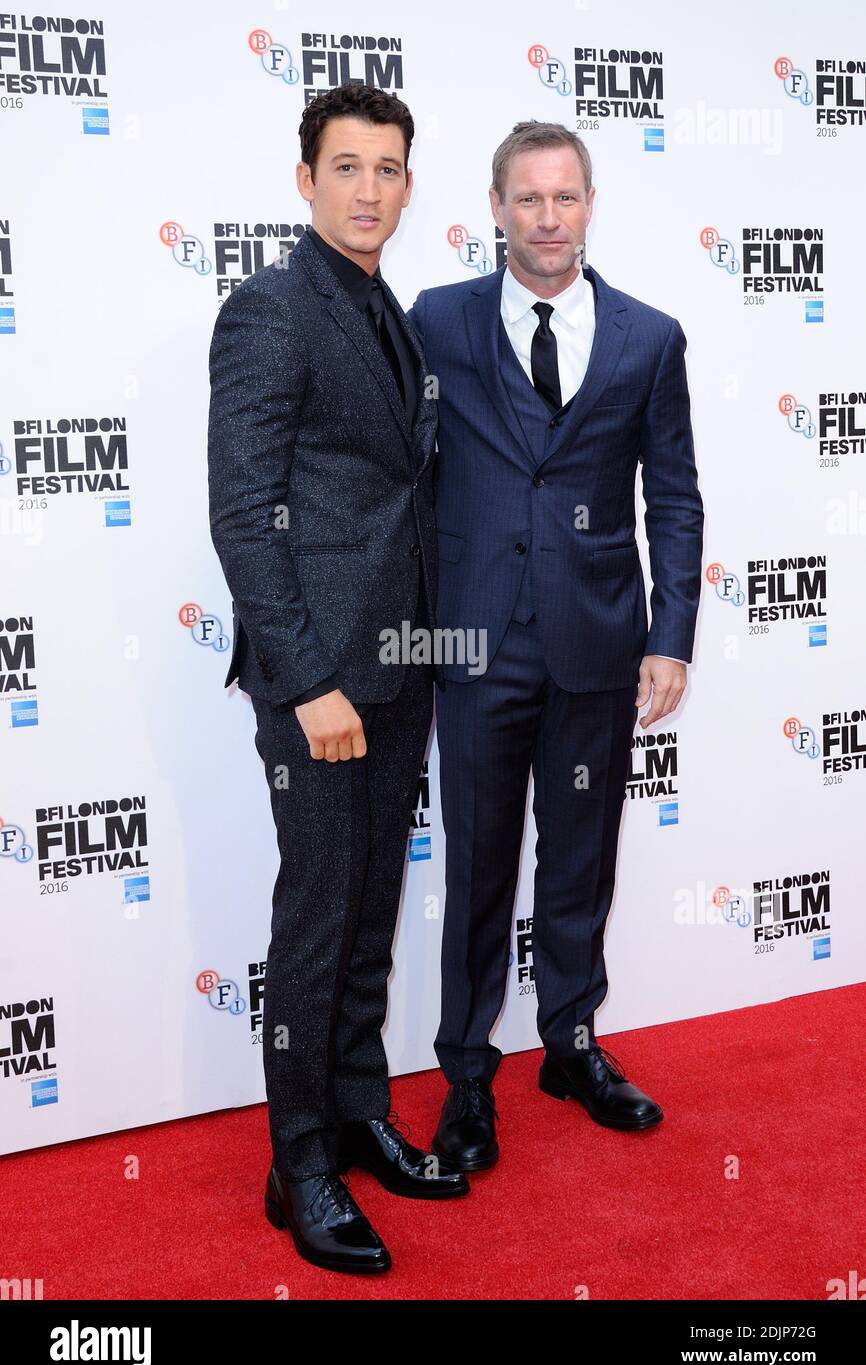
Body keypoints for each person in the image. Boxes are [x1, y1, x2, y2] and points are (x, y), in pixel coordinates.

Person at [407, 120, 704, 1171]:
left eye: (563, 198)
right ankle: (464, 1078)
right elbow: (399, 472)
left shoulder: (647, 336)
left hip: (594, 643)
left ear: (588, 206)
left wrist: (669, 636)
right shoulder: (436, 321)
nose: (544, 218)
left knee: (579, 861)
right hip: (475, 645)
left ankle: (570, 1042)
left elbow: (670, 495)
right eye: (525, 198)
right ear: (493, 207)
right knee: (479, 865)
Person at [207, 82, 468, 1276]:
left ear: (410, 186)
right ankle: (297, 1159)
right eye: (347, 166)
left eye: (390, 169)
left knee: (367, 908)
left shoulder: (390, 315)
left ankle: (357, 1108)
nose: (370, 189)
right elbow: (242, 516)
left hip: (399, 664)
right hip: (318, 681)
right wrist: (307, 680)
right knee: (316, 917)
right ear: (304, 179)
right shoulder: (270, 310)